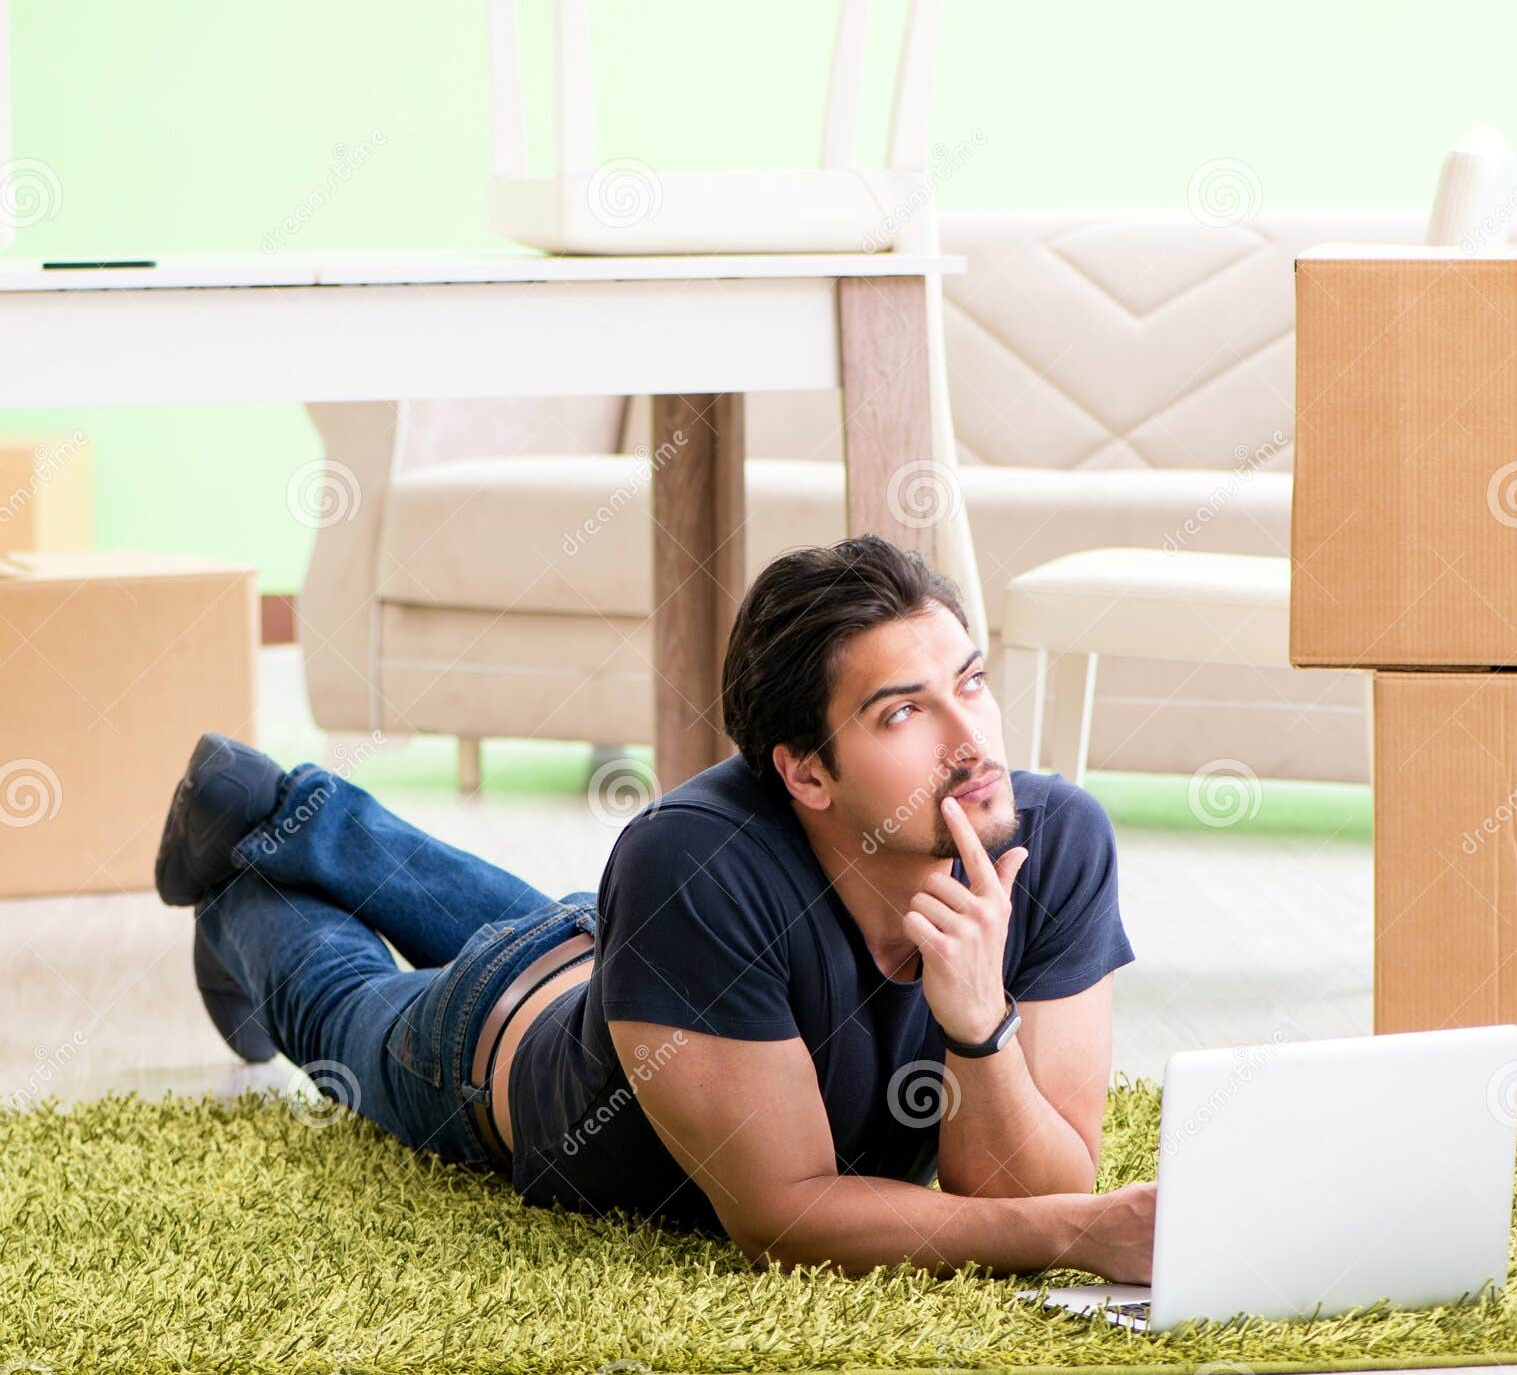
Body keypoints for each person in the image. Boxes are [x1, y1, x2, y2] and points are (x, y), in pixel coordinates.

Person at [157, 534, 1156, 1282]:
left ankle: (288, 809)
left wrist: (979, 1028)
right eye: (902, 711)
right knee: (339, 999)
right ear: (805, 773)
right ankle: (240, 898)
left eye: (969, 683)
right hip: (488, 1034)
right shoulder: (690, 864)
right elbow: (783, 1216)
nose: (969, 738)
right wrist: (1077, 1231)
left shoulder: (1052, 837)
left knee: (591, 925)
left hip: (637, 959)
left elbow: (1034, 1181)